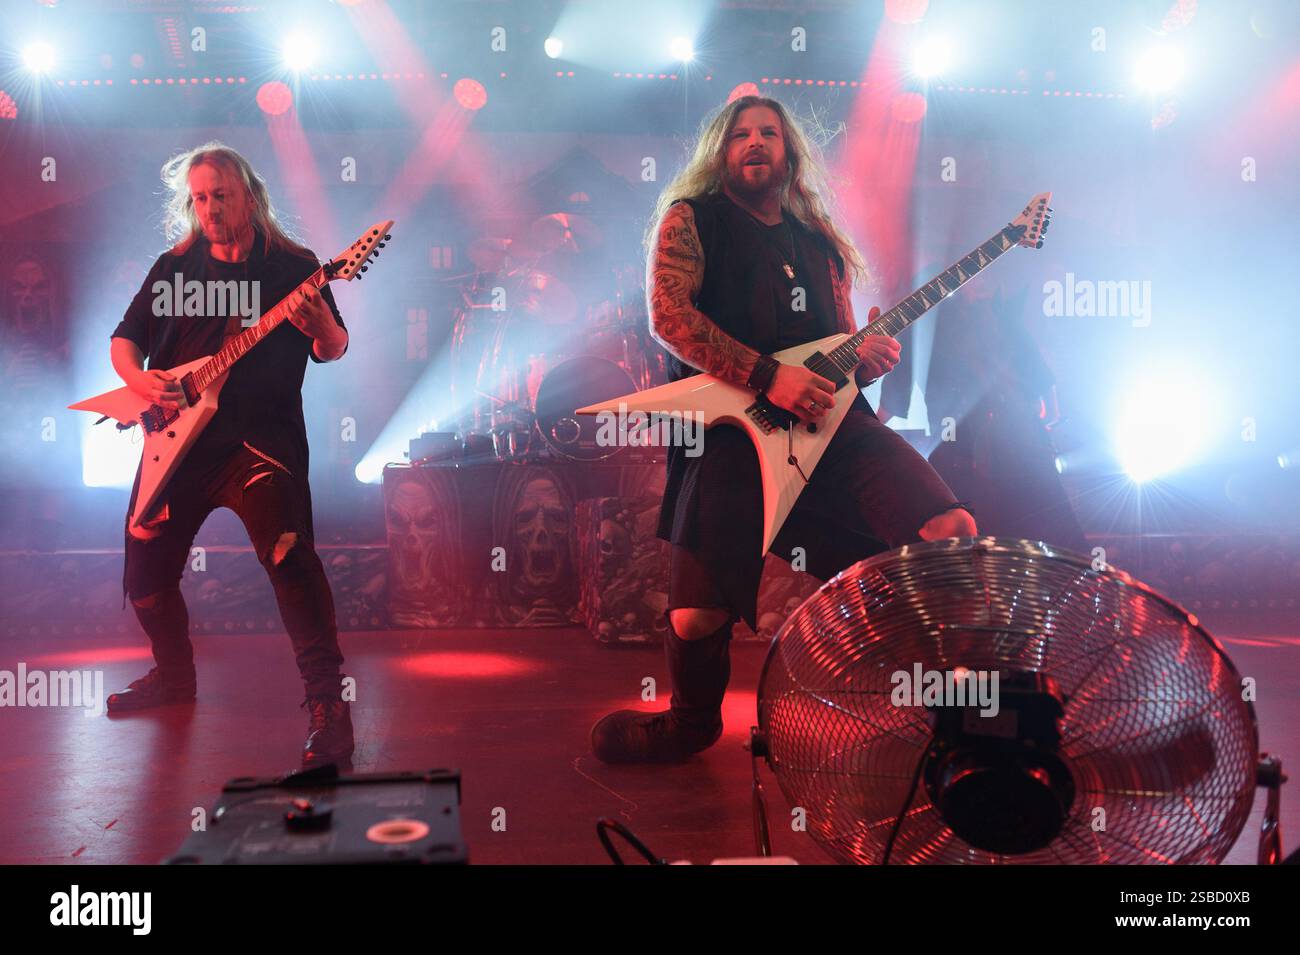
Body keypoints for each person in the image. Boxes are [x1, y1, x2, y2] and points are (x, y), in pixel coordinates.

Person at [590, 96, 977, 763]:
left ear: (790, 152)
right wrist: (769, 377)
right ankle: (690, 725)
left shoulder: (819, 240)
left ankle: (952, 708)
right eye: (740, 133)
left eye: (769, 132)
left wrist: (868, 360)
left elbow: (835, 350)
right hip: (732, 435)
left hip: (835, 429)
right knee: (696, 616)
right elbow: (672, 321)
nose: (755, 142)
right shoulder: (693, 220)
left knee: (950, 530)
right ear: (721, 149)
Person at [104, 142, 354, 768]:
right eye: (200, 198)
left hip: (261, 441)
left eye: (222, 196)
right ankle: (174, 675)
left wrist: (318, 322)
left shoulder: (295, 265)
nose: (211, 209)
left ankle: (328, 705)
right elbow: (124, 342)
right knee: (144, 578)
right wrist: (142, 384)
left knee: (289, 556)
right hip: (178, 441)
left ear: (249, 195)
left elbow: (334, 348)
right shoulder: (173, 267)